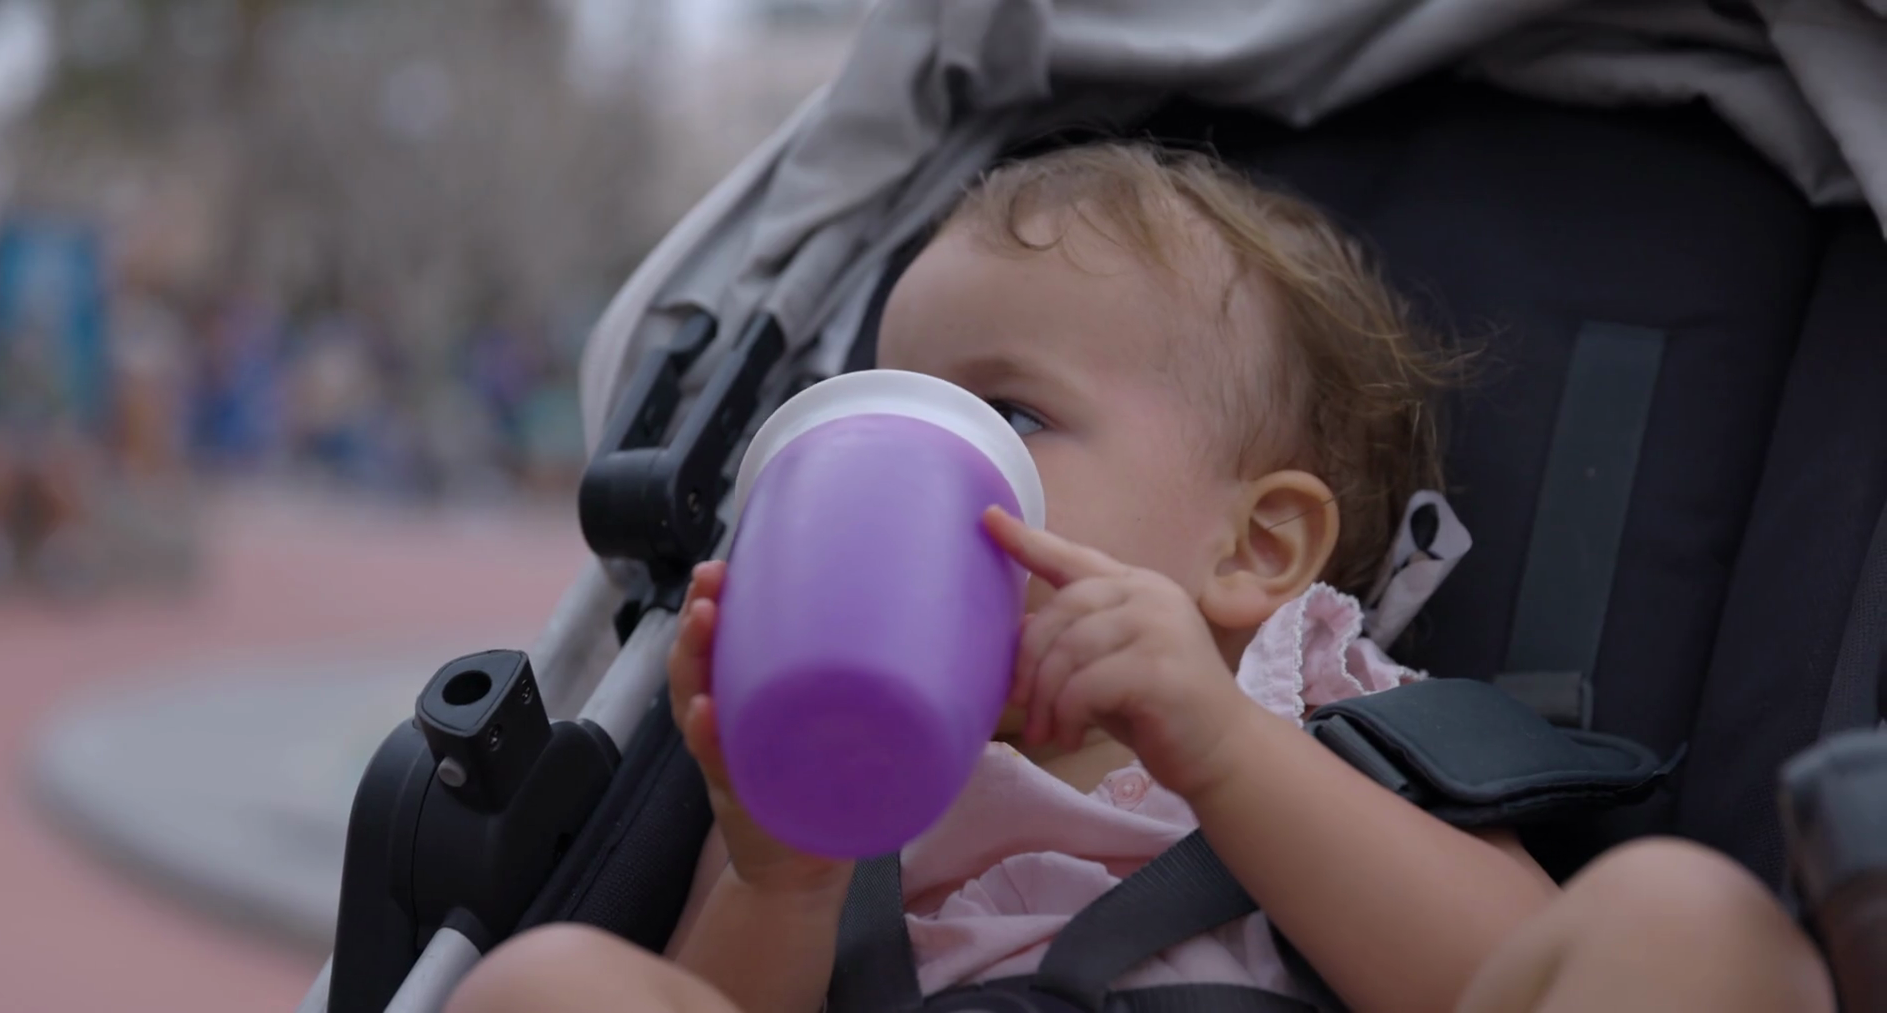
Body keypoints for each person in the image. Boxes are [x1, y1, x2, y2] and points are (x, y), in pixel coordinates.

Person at [447, 143, 1836, 1013]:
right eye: (898, 415)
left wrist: (1225, 748)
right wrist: (786, 882)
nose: (927, 471)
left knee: (1681, 924)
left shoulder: (1333, 721)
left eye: (1015, 419)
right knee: (550, 985)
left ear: (1257, 550)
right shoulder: (836, 774)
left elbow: (1499, 969)